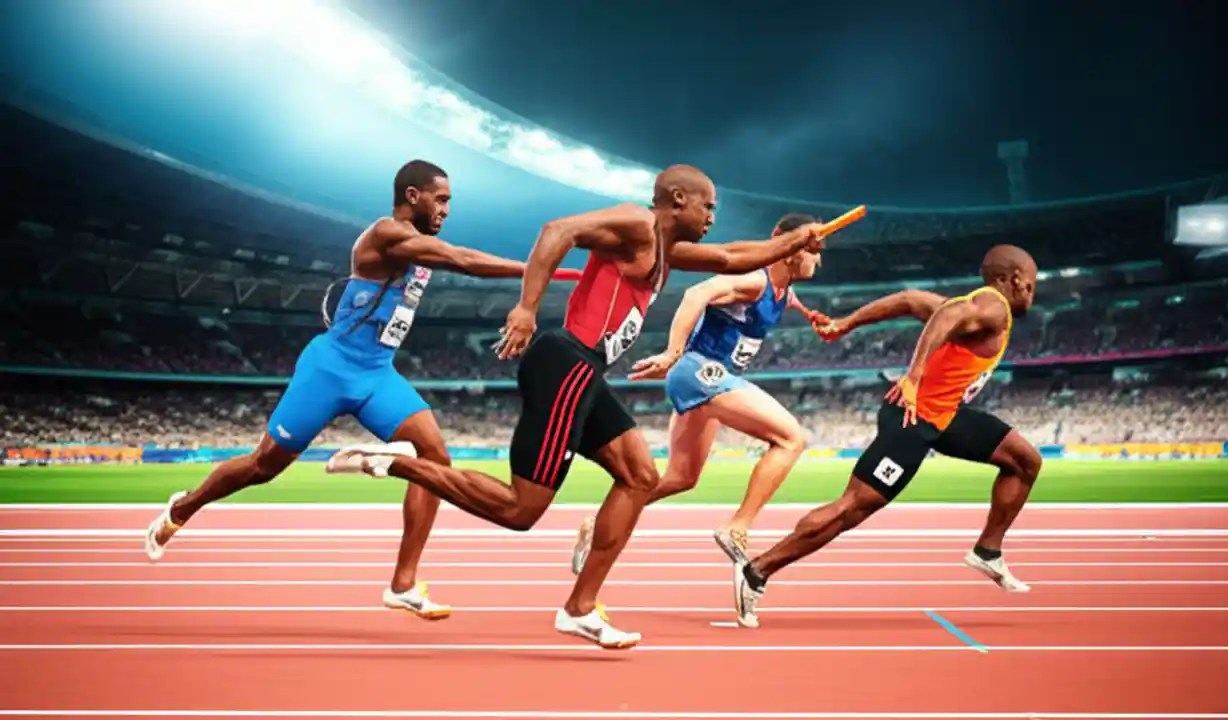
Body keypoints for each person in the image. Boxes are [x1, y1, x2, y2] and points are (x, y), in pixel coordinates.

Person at [326, 165, 825, 648]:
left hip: (586, 373)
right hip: (566, 363)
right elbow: (557, 229)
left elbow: (736, 258)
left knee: (639, 476)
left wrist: (796, 241)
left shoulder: (668, 247)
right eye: (708, 206)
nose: (713, 217)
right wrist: (526, 306)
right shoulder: (635, 222)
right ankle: (396, 464)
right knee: (520, 510)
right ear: (678, 200)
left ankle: (580, 610)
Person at [143, 159, 579, 620]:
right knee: (263, 466)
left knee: (434, 455)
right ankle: (184, 506)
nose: (447, 209)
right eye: (442, 198)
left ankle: (403, 584)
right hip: (330, 370)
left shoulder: (418, 244)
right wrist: (544, 270)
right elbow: (460, 260)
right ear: (414, 195)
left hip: (376, 373)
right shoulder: (387, 234)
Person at [731, 244, 1042, 629]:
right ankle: (757, 571)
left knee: (1024, 460)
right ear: (1012, 280)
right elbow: (951, 312)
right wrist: (913, 376)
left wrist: (846, 323)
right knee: (852, 508)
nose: (1033, 291)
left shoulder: (983, 315)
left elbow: (910, 300)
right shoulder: (993, 304)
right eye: (1031, 284)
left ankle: (988, 550)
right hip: (913, 419)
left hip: (944, 417)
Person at [567, 212, 829, 575]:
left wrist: (810, 315)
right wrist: (672, 352)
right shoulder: (754, 279)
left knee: (681, 477)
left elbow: (786, 300)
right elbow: (697, 293)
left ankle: (595, 523)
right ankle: (738, 527)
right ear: (789, 250)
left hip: (707, 378)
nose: (819, 258)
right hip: (700, 371)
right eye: (814, 250)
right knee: (791, 439)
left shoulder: (783, 290)